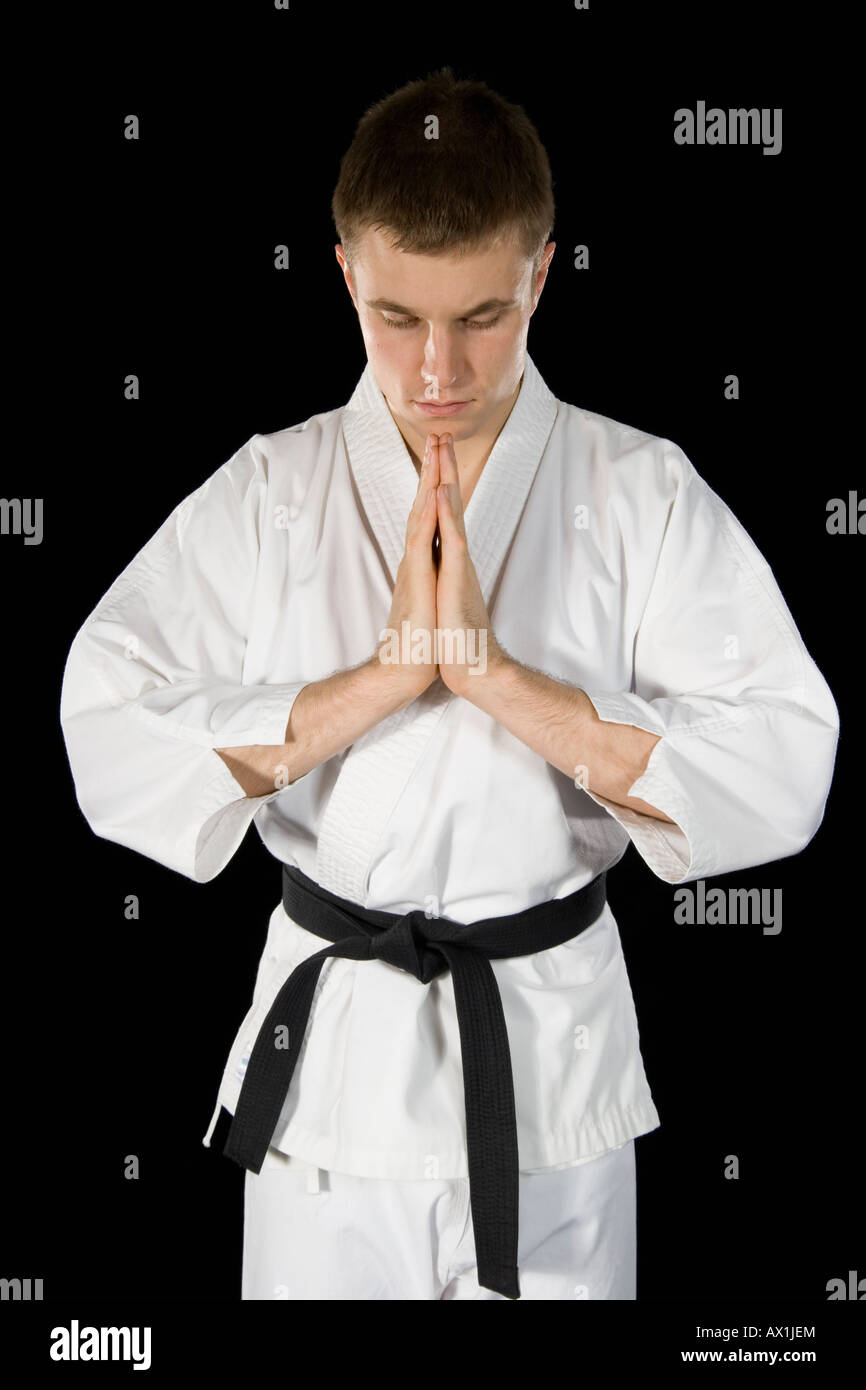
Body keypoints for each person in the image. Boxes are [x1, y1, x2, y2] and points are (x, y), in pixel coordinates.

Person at [59, 68, 839, 1302]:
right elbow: (103, 724)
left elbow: (783, 764)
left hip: (550, 1077)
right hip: (326, 1096)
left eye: (480, 314)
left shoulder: (638, 491)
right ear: (342, 275)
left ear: (539, 272)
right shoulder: (272, 493)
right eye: (394, 316)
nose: (435, 370)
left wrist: (491, 675)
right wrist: (381, 679)